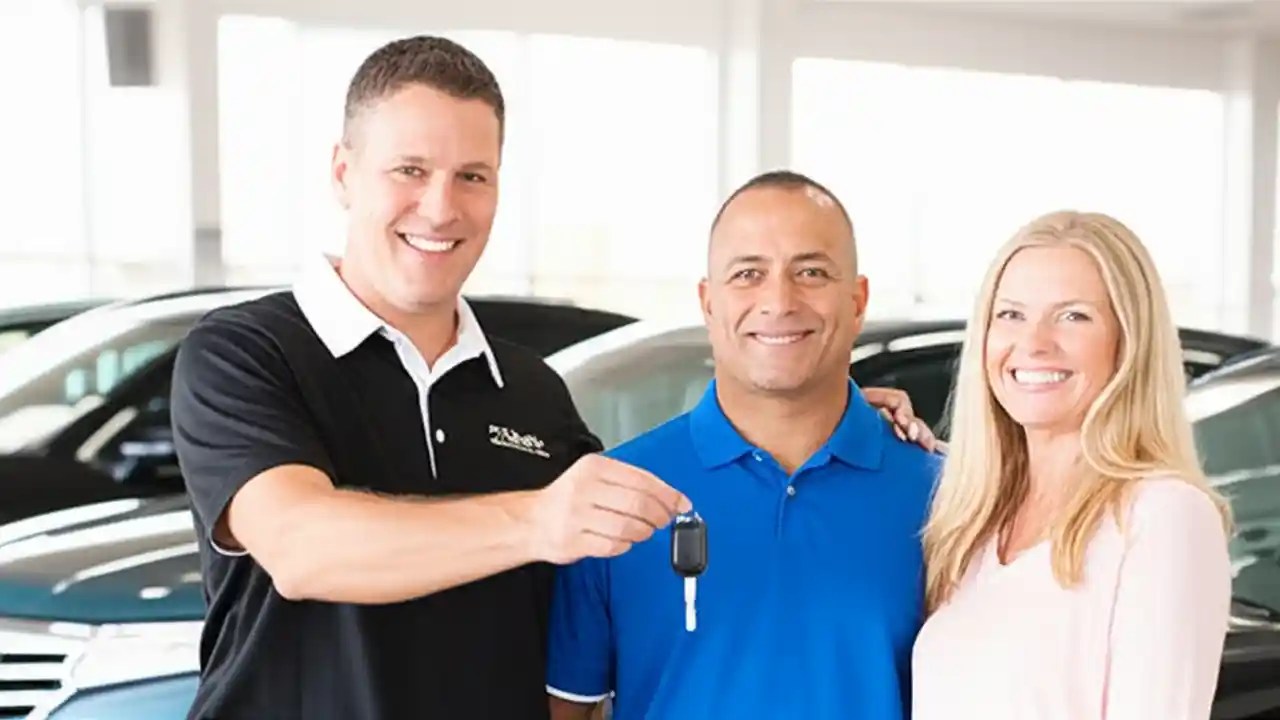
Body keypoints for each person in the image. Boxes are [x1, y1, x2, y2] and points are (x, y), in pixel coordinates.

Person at [170, 37, 933, 720]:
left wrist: (828, 416)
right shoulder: (246, 353)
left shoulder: (530, 393)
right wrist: (536, 520)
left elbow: (626, 519)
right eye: (409, 169)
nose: (440, 206)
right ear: (344, 172)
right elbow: (303, 549)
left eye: (472, 175)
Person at [545, 170, 944, 720]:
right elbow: (572, 711)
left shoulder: (947, 498)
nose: (779, 300)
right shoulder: (616, 497)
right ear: (709, 303)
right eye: (748, 273)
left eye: (811, 271)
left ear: (857, 301)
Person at [911, 211, 1233, 719]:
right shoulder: (971, 521)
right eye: (1011, 314)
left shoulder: (1161, 517)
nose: (1034, 342)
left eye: (1073, 316)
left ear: (1128, 343)